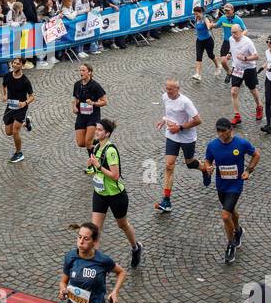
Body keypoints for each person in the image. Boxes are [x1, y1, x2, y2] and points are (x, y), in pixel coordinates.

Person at [85, 119, 144, 268]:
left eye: (99, 130)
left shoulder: (110, 151)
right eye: (96, 129)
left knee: (122, 224)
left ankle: (136, 247)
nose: (96, 131)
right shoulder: (97, 147)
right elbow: (96, 171)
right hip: (100, 193)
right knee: (95, 229)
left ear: (107, 133)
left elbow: (115, 175)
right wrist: (90, 168)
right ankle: (93, 264)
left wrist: (98, 166)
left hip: (116, 196)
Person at [202, 117, 260, 264]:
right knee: (231, 211)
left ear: (231, 130)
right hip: (221, 185)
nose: (220, 134)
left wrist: (248, 171)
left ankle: (230, 244)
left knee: (225, 216)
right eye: (218, 131)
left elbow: (256, 155)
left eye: (223, 131)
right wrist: (208, 167)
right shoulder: (212, 145)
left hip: (235, 185)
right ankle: (238, 230)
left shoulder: (241, 143)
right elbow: (207, 160)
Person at [153, 78, 209, 214]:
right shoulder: (165, 97)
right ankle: (166, 200)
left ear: (177, 89)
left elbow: (198, 120)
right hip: (172, 135)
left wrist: (180, 127)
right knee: (169, 166)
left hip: (187, 137)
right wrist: (164, 120)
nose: (167, 92)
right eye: (166, 88)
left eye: (170, 89)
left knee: (189, 163)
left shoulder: (185, 102)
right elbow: (169, 113)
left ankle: (204, 169)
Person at [0, 57, 34, 164]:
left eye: (18, 64)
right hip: (10, 107)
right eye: (14, 63)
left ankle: (19, 153)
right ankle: (25, 122)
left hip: (21, 108)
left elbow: (32, 96)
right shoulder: (8, 76)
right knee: (8, 132)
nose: (15, 65)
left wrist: (25, 103)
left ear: (22, 66)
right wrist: (4, 95)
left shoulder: (25, 81)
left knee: (15, 132)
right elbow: (3, 86)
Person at [226, 24, 261, 127]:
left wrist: (245, 59)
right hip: (237, 68)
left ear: (240, 32)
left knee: (252, 89)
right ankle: (237, 116)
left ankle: (259, 106)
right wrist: (229, 54)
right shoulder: (231, 39)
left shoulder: (248, 42)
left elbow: (257, 56)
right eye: (232, 32)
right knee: (233, 91)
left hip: (249, 69)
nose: (233, 35)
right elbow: (232, 48)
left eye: (235, 32)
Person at [71, 63, 107, 155]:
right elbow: (75, 98)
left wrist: (93, 103)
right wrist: (74, 106)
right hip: (81, 116)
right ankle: (97, 144)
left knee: (87, 141)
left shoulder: (95, 86)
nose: (81, 72)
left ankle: (92, 163)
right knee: (81, 143)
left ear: (90, 72)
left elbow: (104, 101)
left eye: (83, 70)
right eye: (80, 70)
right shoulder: (77, 85)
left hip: (93, 116)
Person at [190, 5, 221, 82]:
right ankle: (198, 74)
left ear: (201, 13)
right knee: (198, 57)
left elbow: (208, 26)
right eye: (194, 14)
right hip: (199, 41)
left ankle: (218, 66)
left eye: (197, 14)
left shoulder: (205, 19)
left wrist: (210, 26)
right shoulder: (195, 19)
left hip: (208, 40)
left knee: (210, 55)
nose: (196, 15)